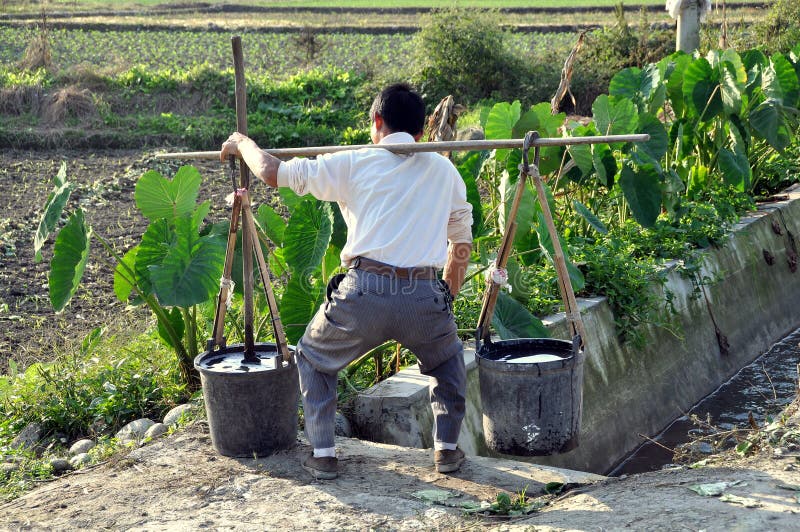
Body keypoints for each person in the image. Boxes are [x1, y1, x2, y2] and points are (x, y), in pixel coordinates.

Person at [220, 83, 473, 480]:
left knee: (313, 356)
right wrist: (445, 296)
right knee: (447, 362)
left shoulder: (354, 160)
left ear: (376, 122)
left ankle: (323, 455)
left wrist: (241, 143)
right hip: (423, 294)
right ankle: (447, 452)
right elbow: (461, 242)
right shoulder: (444, 168)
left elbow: (271, 172)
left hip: (364, 293)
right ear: (422, 132)